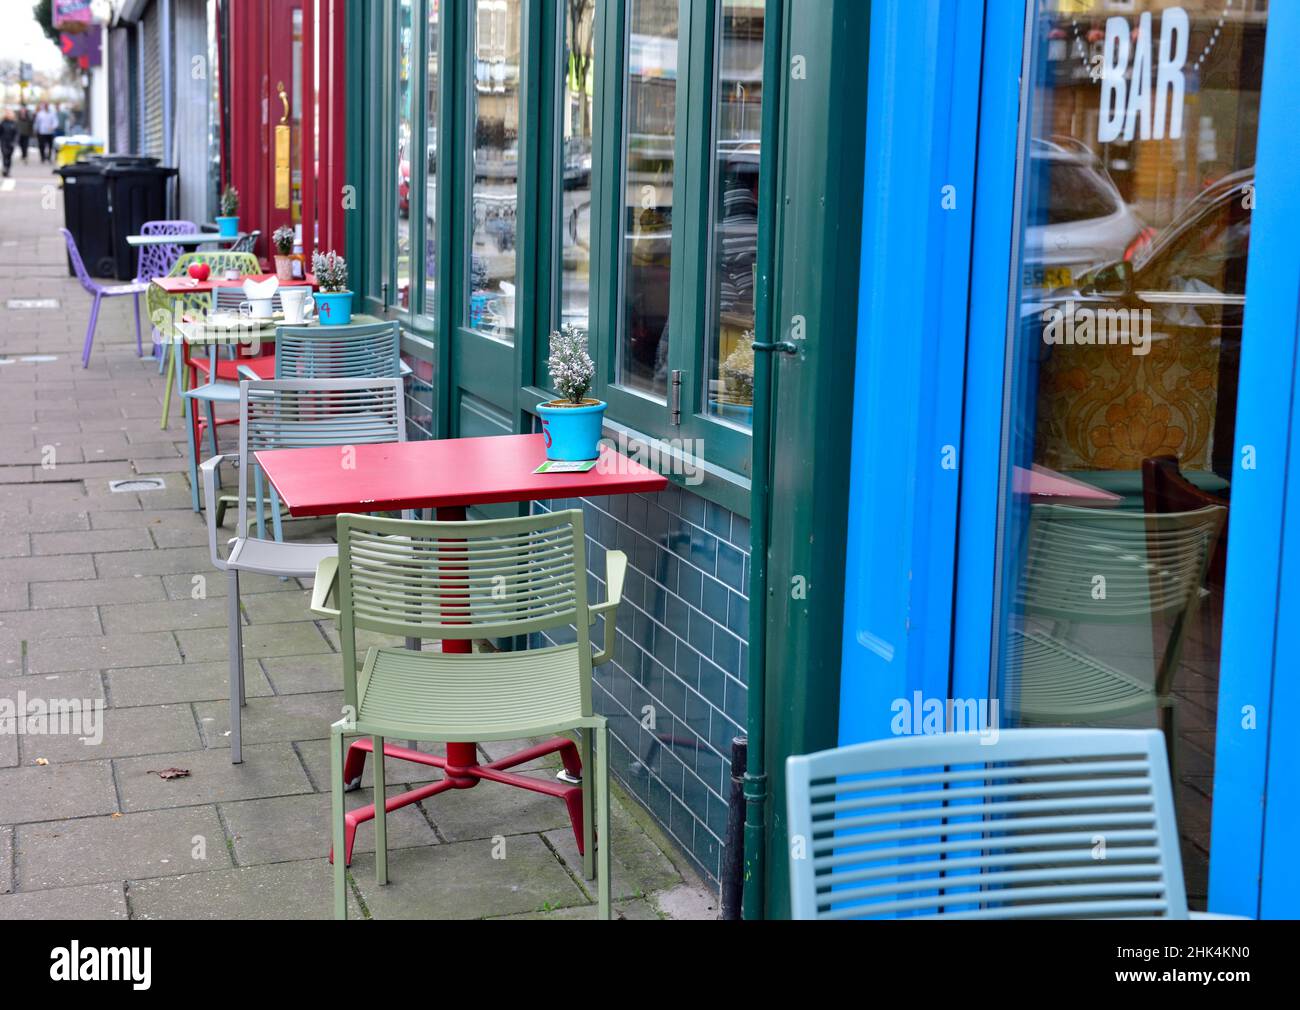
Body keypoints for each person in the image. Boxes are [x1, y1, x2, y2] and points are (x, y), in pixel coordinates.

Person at [0, 110, 18, 177]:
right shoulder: (3, 123)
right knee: (5, 155)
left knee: (9, 157)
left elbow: (17, 133)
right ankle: (5, 169)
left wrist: (15, 141)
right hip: (4, 142)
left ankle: (8, 169)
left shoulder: (14, 123)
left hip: (11, 142)